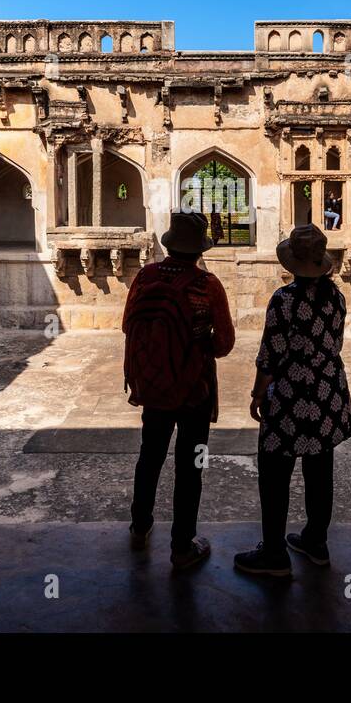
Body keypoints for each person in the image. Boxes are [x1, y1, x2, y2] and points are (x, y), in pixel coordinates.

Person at [235, 224, 351, 577]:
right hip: (328, 391)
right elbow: (333, 343)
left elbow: (270, 355)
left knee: (275, 472)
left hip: (290, 393)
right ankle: (315, 541)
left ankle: (274, 553)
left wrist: (258, 394)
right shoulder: (336, 297)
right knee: (320, 470)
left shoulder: (284, 300)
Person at [123, 211, 235, 570]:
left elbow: (128, 325)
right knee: (191, 466)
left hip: (154, 387)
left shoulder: (146, 276)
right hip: (194, 391)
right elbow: (224, 344)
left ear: (170, 245)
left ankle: (140, 526)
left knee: (150, 455)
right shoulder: (207, 284)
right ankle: (182, 547)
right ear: (200, 247)